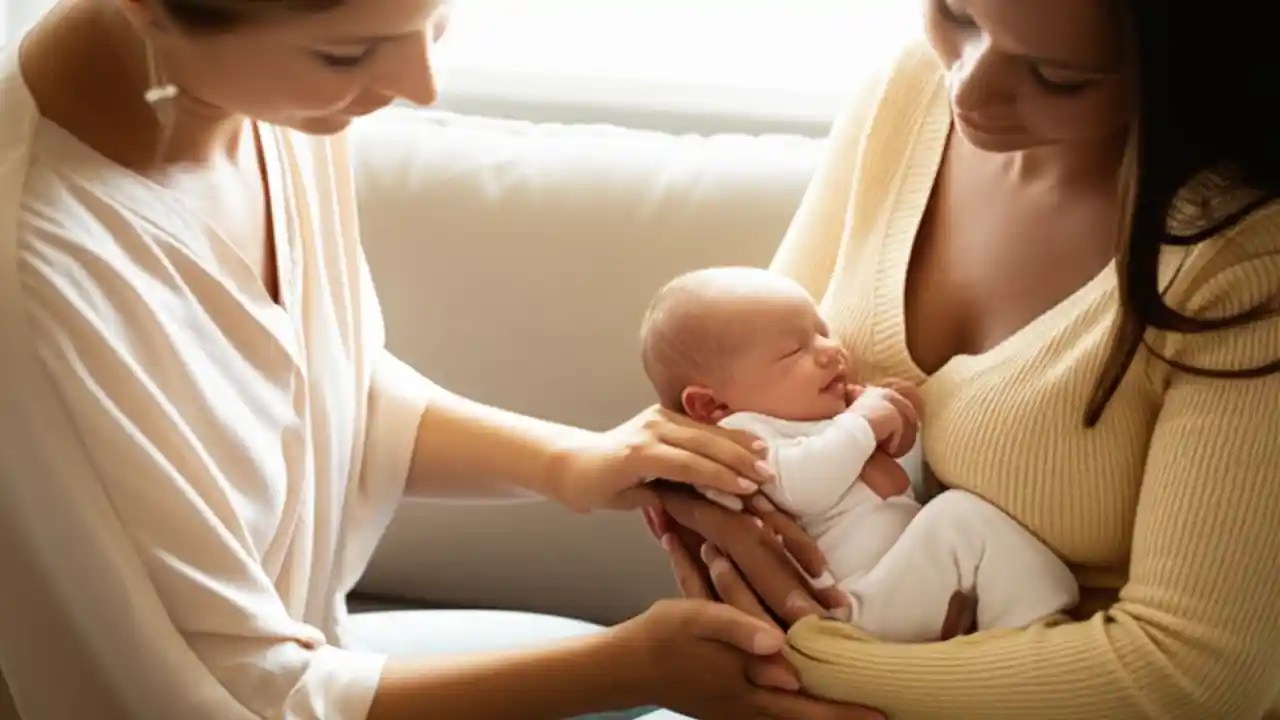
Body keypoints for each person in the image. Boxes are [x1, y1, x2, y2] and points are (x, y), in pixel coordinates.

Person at [0, 1, 887, 719]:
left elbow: (308, 386)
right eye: (349, 53)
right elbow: (220, 693)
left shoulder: (253, 104)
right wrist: (631, 667)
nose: (419, 86)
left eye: (435, 21)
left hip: (318, 664)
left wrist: (575, 463)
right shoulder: (36, 281)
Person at [647, 0, 1280, 718]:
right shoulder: (910, 88)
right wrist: (704, 508)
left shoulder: (1246, 263)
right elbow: (712, 398)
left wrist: (791, 661)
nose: (968, 90)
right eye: (957, 12)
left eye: (1058, 76)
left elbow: (1192, 679)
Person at [638, 266, 1080, 643]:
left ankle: (1021, 633)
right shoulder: (741, 434)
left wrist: (901, 426)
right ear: (712, 406)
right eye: (796, 350)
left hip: (893, 586)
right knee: (963, 519)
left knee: (959, 527)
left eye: (823, 332)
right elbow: (803, 489)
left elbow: (901, 489)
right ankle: (1043, 629)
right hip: (845, 608)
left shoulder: (822, 420)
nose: (832, 351)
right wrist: (864, 423)